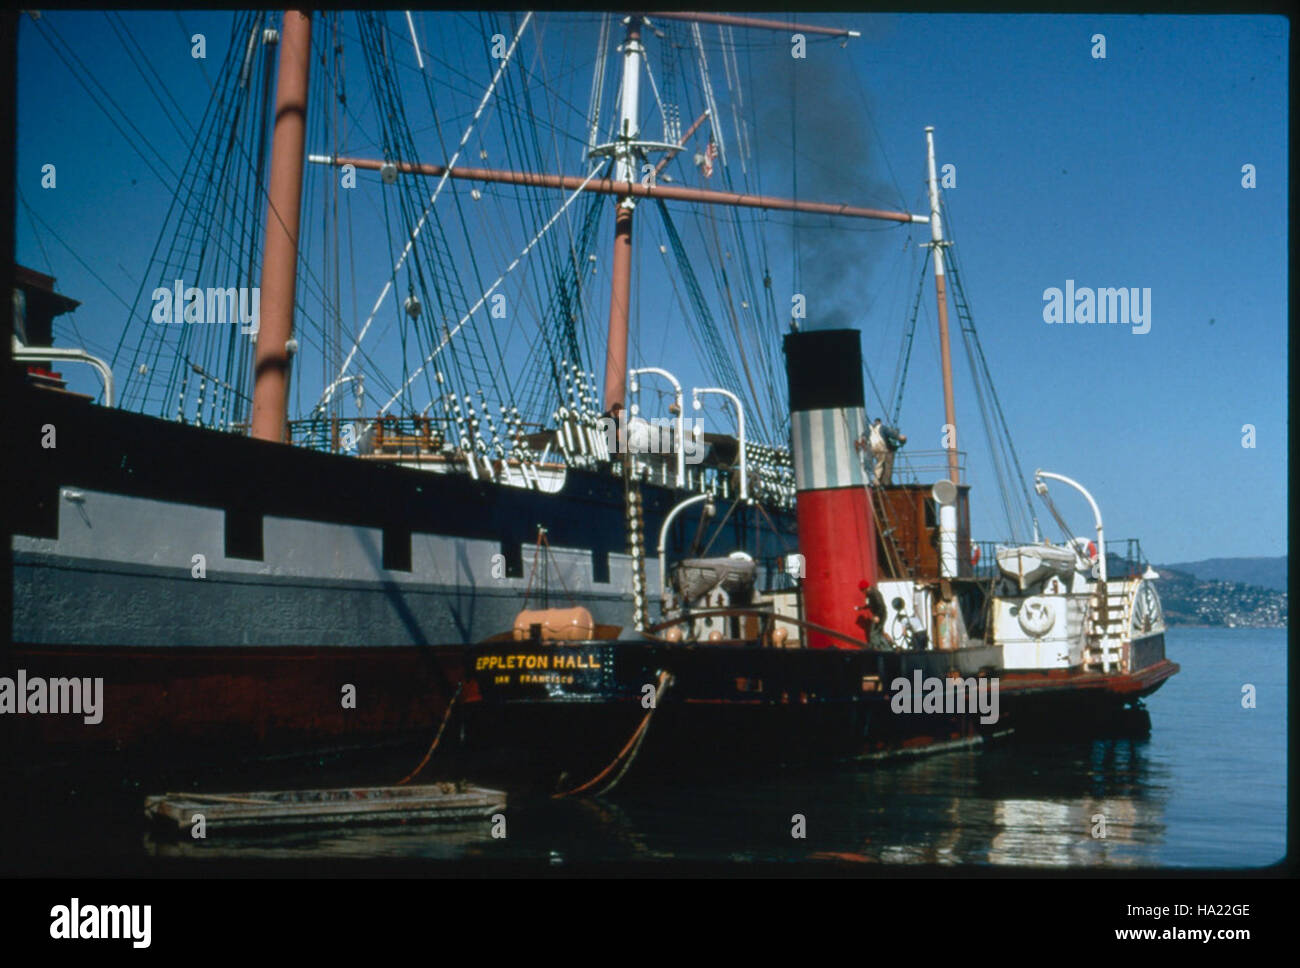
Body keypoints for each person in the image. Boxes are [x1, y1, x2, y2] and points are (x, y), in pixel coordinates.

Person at [855, 579, 892, 650]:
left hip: (880, 615)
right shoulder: (869, 594)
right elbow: (870, 604)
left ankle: (884, 650)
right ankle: (884, 649)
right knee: (878, 633)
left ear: (865, 589)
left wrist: (877, 616)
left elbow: (880, 605)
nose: (862, 592)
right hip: (879, 615)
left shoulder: (874, 593)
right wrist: (862, 608)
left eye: (862, 590)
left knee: (874, 634)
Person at [869, 417, 907, 486]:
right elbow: (891, 434)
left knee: (877, 462)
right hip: (881, 447)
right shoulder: (882, 427)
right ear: (880, 422)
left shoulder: (870, 428)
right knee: (882, 462)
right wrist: (899, 437)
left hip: (871, 448)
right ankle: (880, 480)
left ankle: (875, 478)